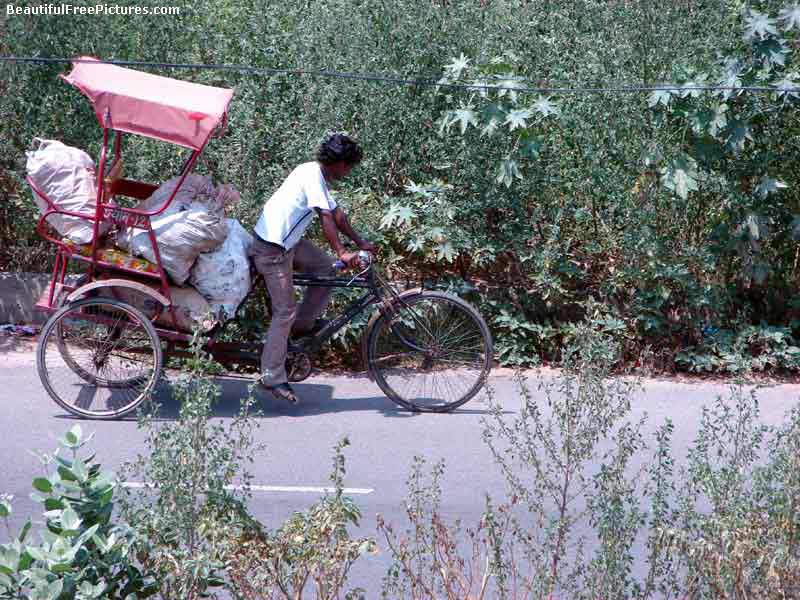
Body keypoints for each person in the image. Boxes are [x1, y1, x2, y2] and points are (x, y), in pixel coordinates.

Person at [251, 133, 375, 404]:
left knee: (325, 269)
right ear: (339, 163)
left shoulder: (315, 174)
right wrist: (342, 252)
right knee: (285, 311)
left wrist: (360, 241)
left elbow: (337, 214)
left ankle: (300, 329)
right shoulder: (311, 175)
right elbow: (326, 217)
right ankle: (272, 376)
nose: (349, 171)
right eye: (348, 166)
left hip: (287, 244)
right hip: (271, 250)